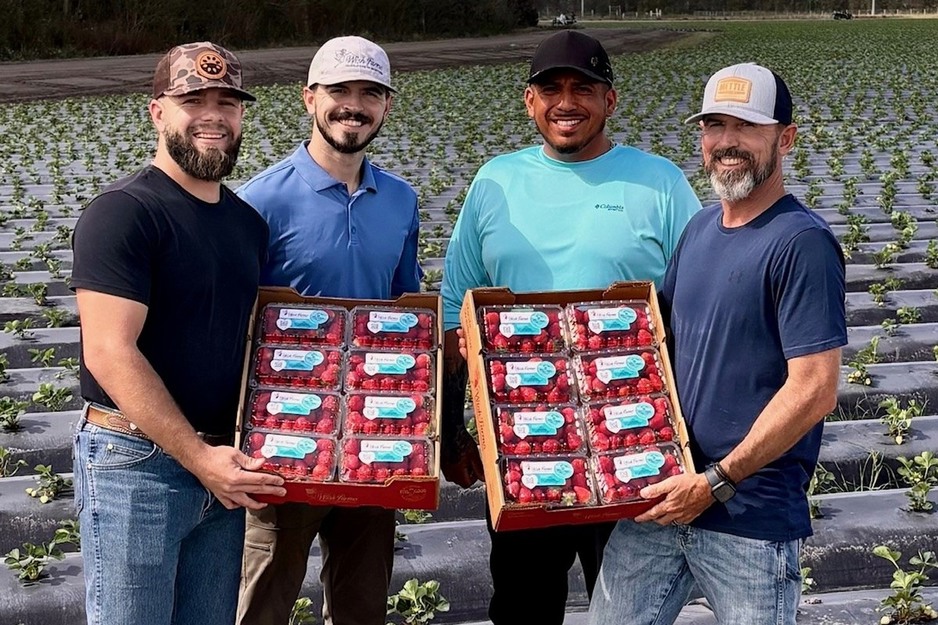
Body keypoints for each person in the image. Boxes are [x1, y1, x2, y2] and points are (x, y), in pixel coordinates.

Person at [440, 30, 702, 625]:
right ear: (528, 101)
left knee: (631, 606)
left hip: (633, 439)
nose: (567, 101)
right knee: (524, 599)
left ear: (610, 100)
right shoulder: (494, 183)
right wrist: (456, 433)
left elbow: (697, 310)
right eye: (550, 88)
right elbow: (458, 315)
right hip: (522, 444)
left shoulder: (659, 183)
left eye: (583, 87)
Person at [588, 63, 846, 625]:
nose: (727, 142)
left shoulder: (801, 244)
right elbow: (657, 348)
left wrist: (718, 480)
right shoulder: (700, 229)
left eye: (747, 127)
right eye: (714, 125)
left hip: (747, 515)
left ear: (786, 137)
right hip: (661, 498)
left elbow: (815, 389)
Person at [71, 41, 286, 625]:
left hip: (222, 463)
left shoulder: (246, 224)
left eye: (228, 102)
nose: (213, 115)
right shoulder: (124, 213)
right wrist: (197, 457)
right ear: (158, 111)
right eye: (194, 100)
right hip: (136, 465)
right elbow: (110, 352)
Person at [236, 36, 422, 625]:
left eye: (370, 93)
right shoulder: (259, 202)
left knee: (363, 600)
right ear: (308, 97)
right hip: (285, 436)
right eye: (339, 91)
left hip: (375, 430)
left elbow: (406, 311)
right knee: (264, 593)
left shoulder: (400, 199)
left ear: (386, 106)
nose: (354, 106)